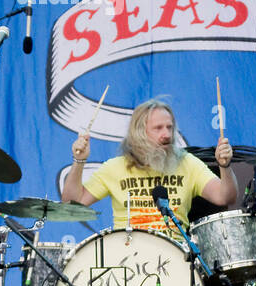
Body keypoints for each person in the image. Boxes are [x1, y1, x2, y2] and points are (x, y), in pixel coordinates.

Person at [60, 98, 239, 237]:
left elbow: (225, 196)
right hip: (126, 257)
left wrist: (225, 166)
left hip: (176, 258)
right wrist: (79, 161)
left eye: (169, 127)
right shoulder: (115, 168)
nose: (167, 134)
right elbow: (72, 204)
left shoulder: (186, 162)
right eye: (158, 128)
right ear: (139, 133)